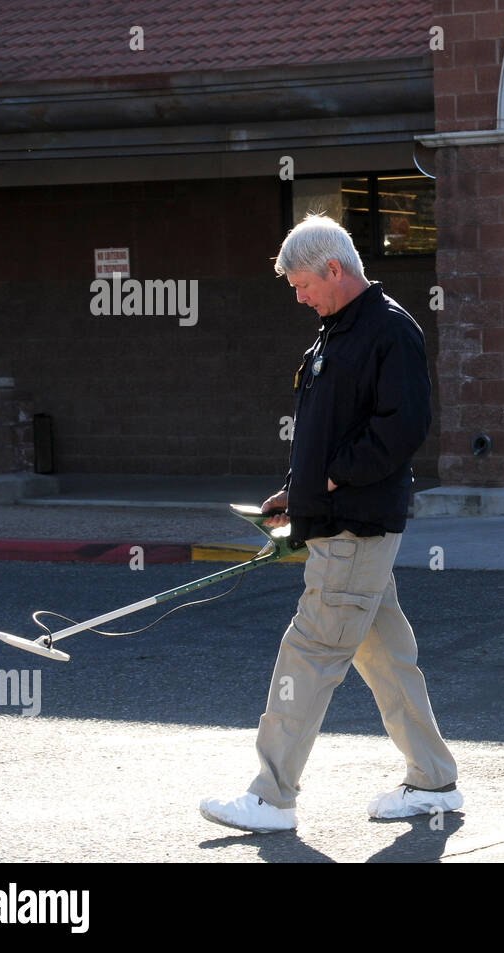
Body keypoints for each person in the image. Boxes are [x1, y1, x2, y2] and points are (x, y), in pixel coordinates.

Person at [200, 214, 461, 832]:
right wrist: (298, 492)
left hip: (356, 526)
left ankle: (270, 796)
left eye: (301, 284)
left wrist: (328, 482)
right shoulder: (335, 332)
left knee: (309, 652)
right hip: (340, 520)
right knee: (386, 658)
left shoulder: (388, 330)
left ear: (334, 269)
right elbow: (330, 435)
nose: (298, 296)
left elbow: (402, 429)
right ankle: (433, 783)